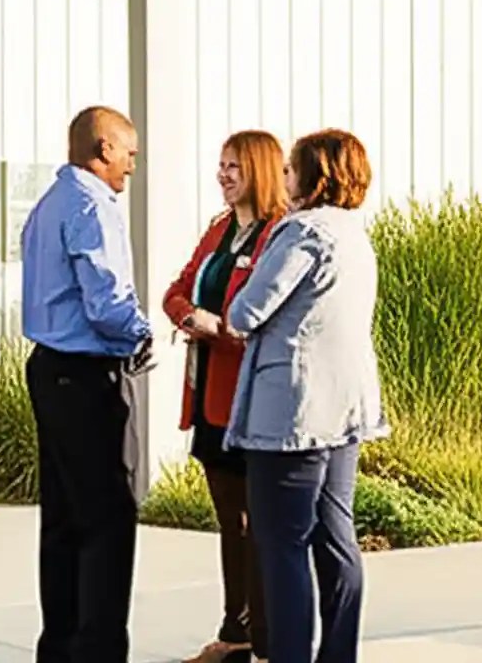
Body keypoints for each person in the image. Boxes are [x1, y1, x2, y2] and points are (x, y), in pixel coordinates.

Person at [224, 128, 390, 662]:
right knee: (336, 537)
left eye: (291, 170)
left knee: (282, 546)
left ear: (315, 178)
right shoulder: (355, 235)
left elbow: (247, 311)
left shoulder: (302, 234)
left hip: (292, 414)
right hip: (346, 409)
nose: (285, 180)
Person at [21, 106, 154, 662]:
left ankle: (61, 646)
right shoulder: (92, 206)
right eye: (129, 154)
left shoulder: (50, 203)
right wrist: (143, 335)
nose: (131, 166)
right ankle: (97, 651)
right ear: (103, 149)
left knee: (64, 518)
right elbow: (107, 303)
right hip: (85, 374)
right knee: (108, 518)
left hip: (50, 368)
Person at [162, 131, 288, 663]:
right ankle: (235, 629)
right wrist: (191, 316)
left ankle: (267, 636)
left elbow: (260, 315)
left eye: (233, 165)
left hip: (253, 397)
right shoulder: (218, 230)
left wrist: (217, 325)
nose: (223, 174)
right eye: (220, 165)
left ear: (258, 169)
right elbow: (177, 289)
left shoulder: (280, 232)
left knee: (259, 522)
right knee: (229, 519)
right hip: (210, 394)